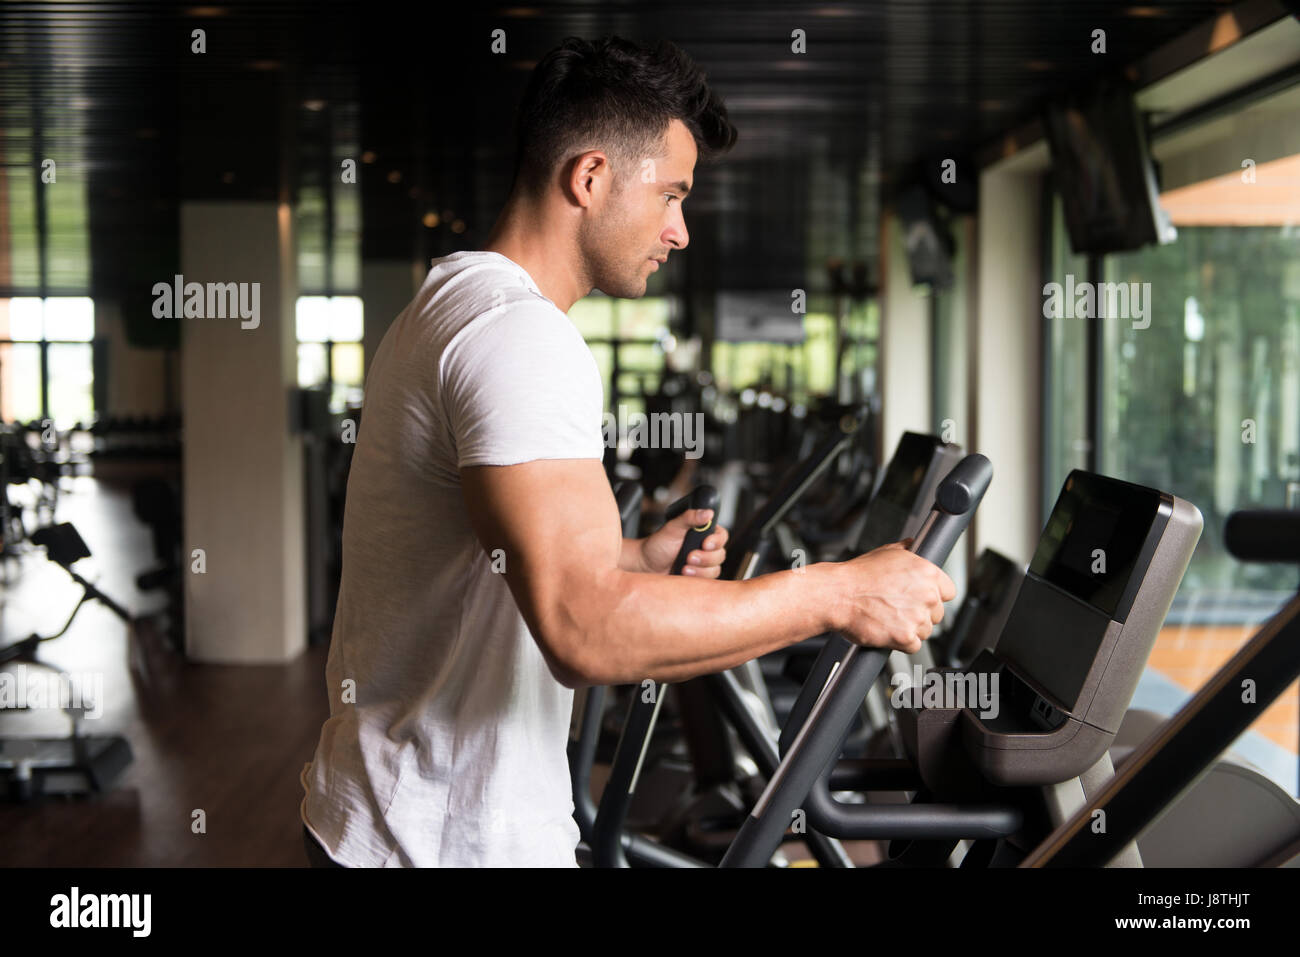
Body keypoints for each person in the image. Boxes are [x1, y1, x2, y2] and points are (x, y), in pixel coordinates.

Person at [300, 34, 954, 868]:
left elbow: (480, 551)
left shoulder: (446, 302)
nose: (680, 231)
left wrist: (630, 558)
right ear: (591, 176)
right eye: (672, 195)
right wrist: (840, 593)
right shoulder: (523, 338)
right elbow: (583, 630)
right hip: (440, 841)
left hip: (385, 816)